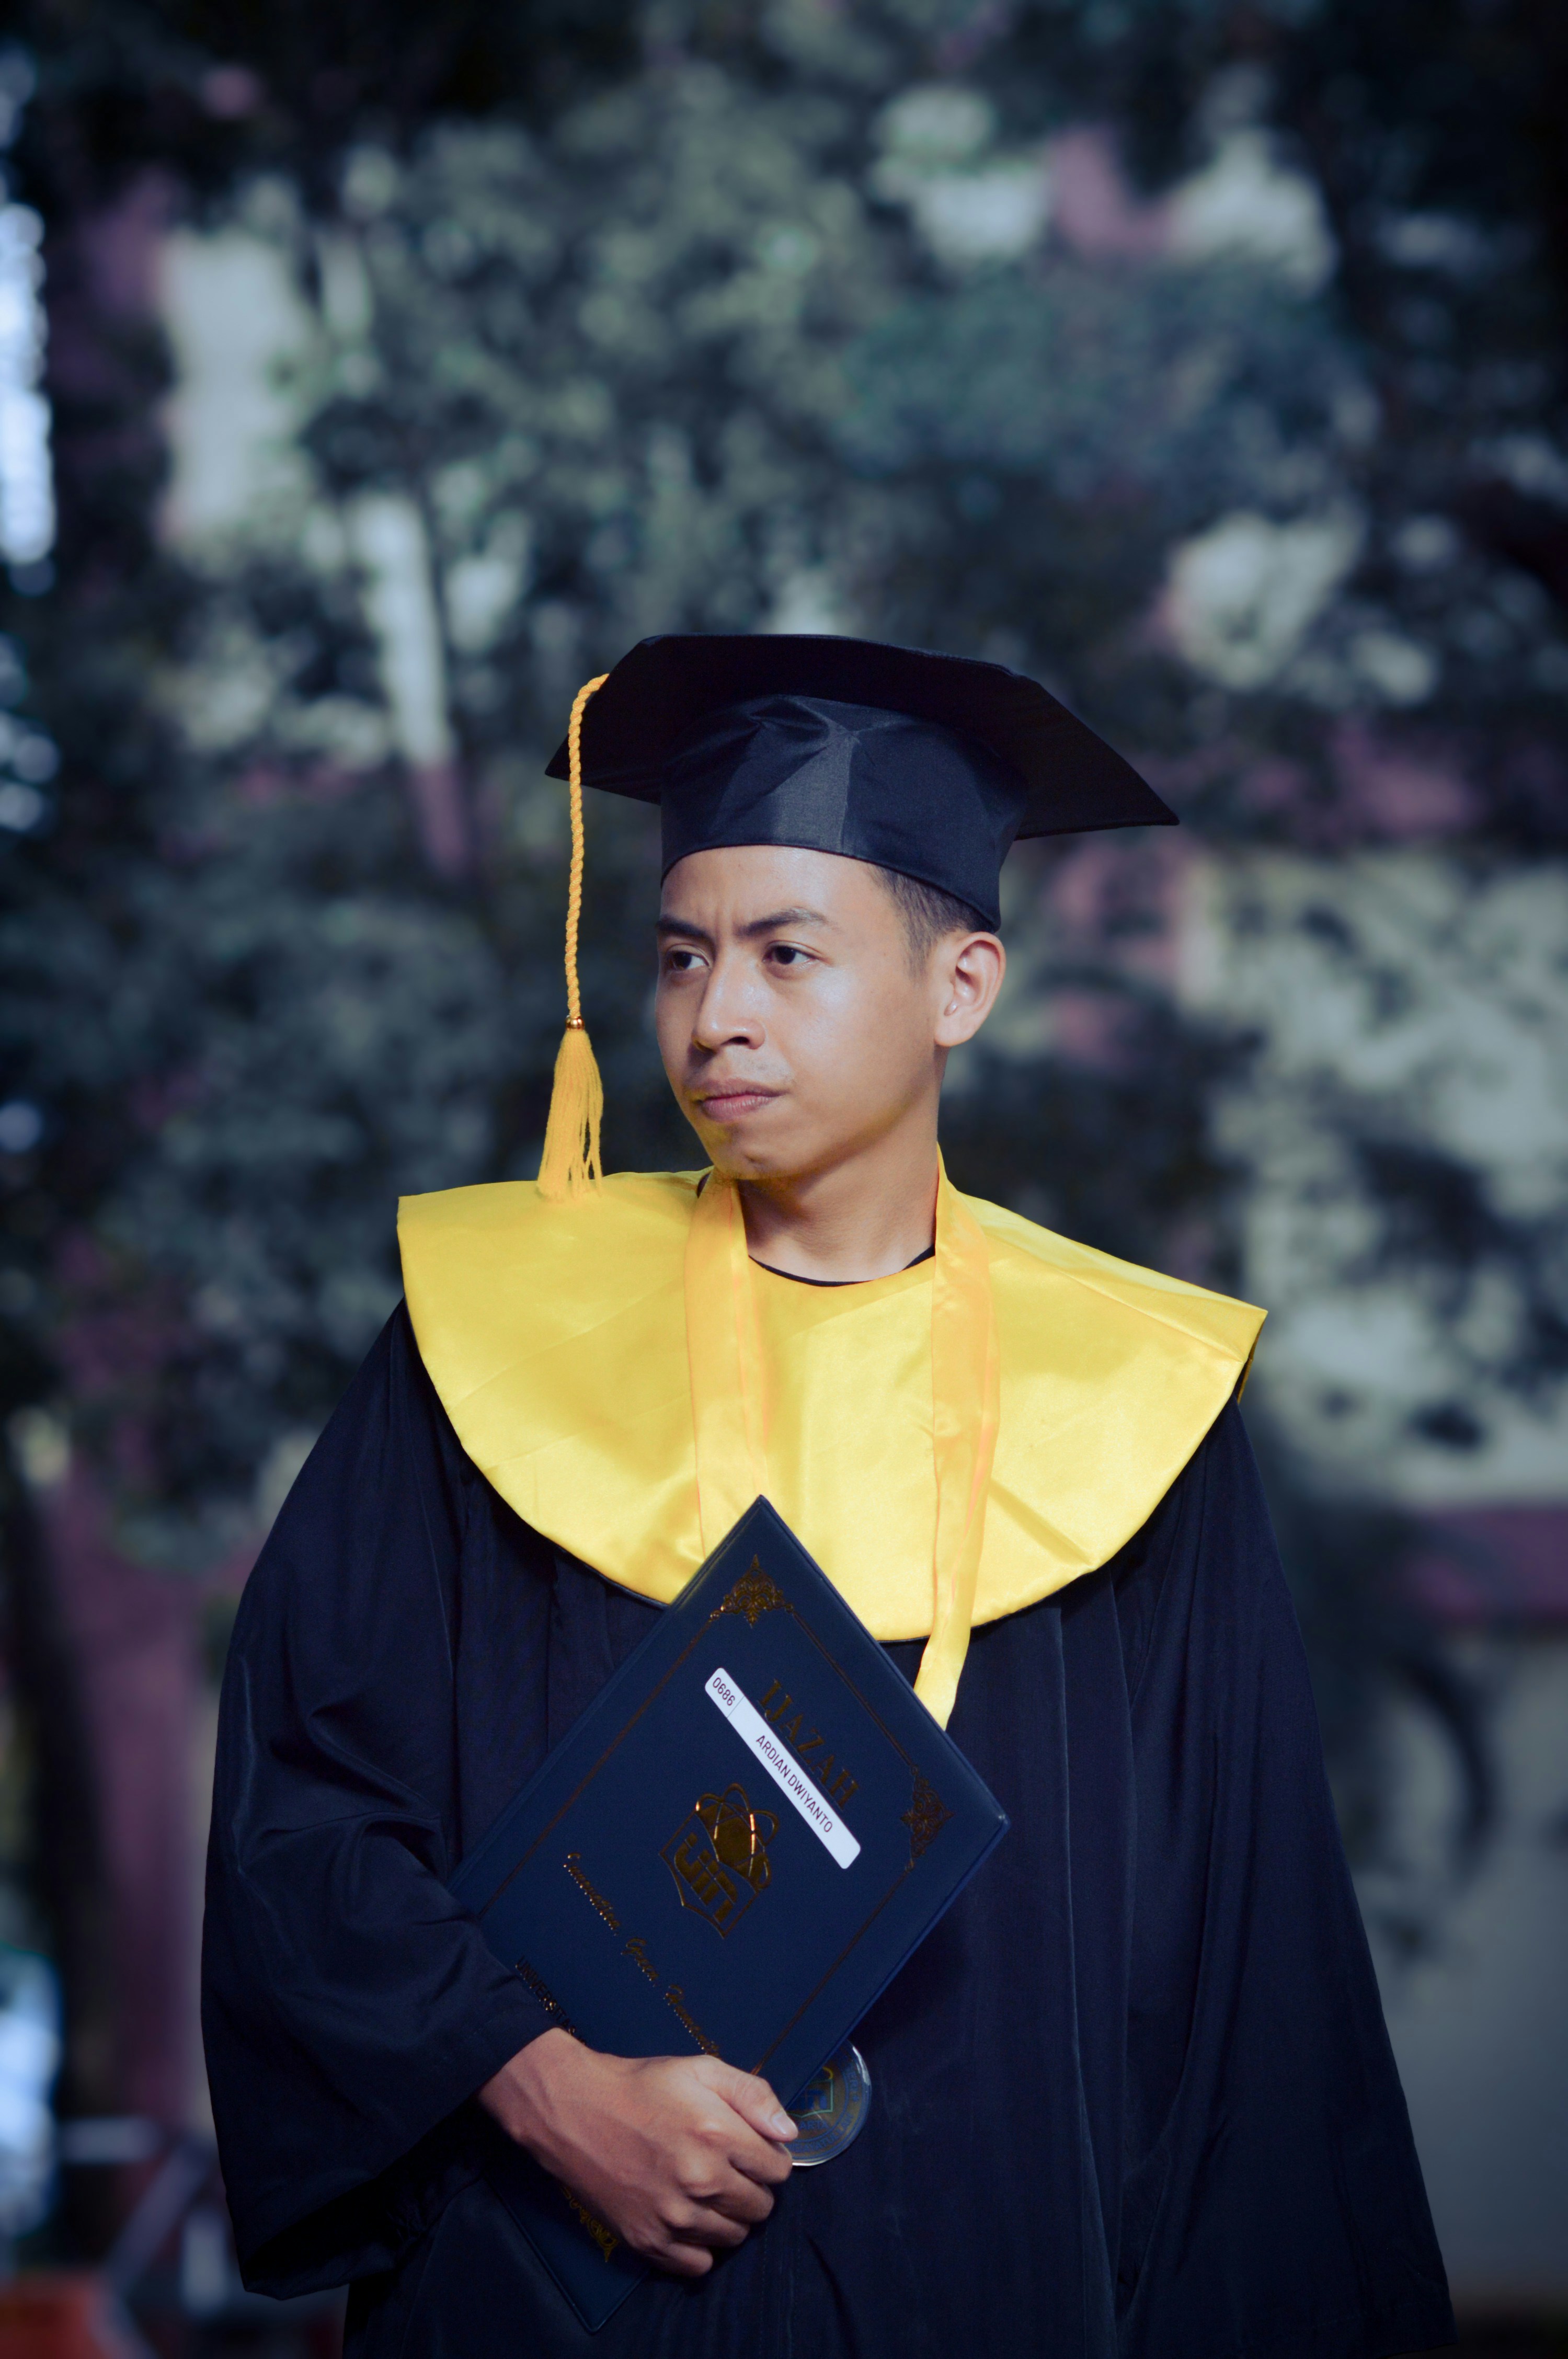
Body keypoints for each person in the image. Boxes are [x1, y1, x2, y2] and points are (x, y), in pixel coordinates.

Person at [202, 635, 1455, 2359]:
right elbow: (309, 1824)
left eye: (790, 955)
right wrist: (542, 2086)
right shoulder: (484, 1351)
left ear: (963, 985)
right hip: (562, 2286)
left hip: (1000, 2285)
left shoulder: (1136, 1403)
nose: (717, 1015)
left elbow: (1253, 1988)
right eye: (682, 955)